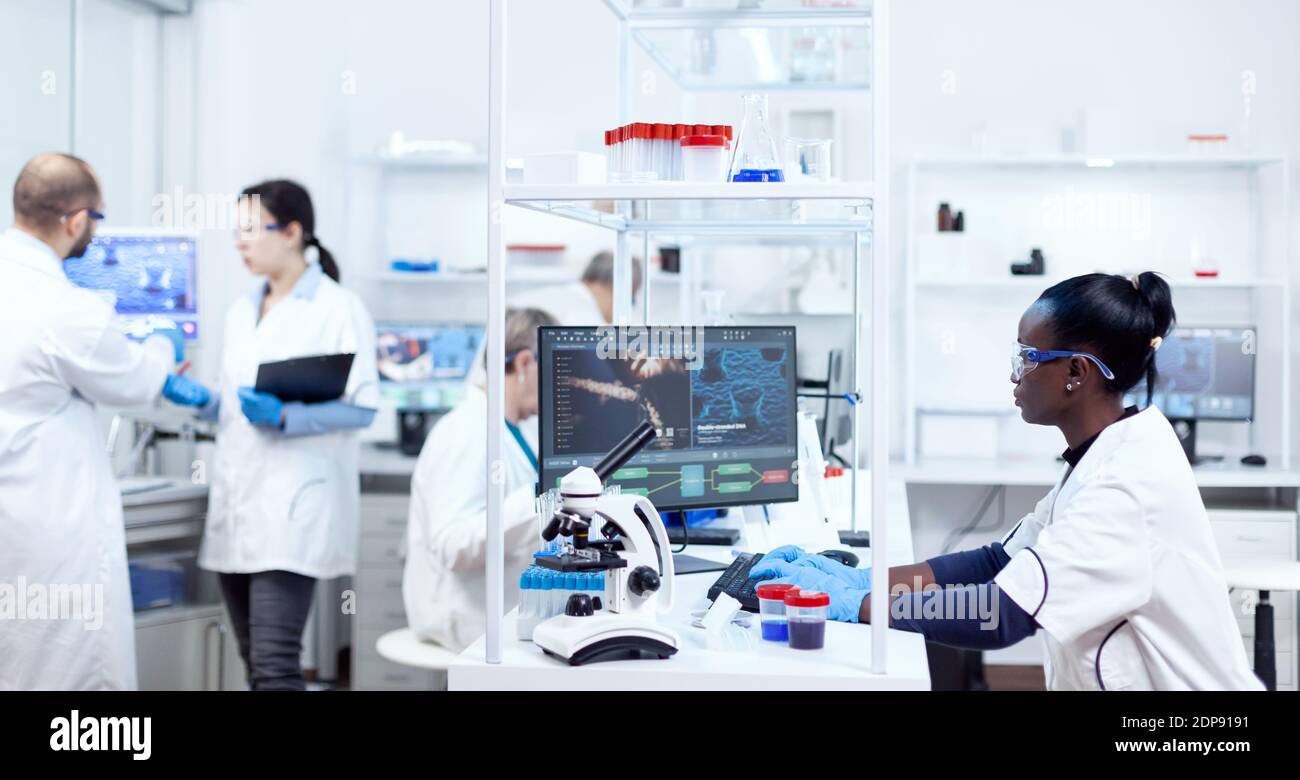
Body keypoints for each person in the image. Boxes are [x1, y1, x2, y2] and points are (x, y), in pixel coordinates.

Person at [752, 272, 1262, 691]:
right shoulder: (1104, 455)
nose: (1015, 376)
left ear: (1076, 374)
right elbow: (998, 563)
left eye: (1026, 358)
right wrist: (863, 579)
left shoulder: (1124, 487)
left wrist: (853, 605)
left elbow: (1003, 613)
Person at [0, 153, 208, 690]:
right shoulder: (65, 308)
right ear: (75, 220)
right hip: (51, 527)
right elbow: (137, 382)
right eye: (98, 217)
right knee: (68, 665)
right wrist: (163, 344)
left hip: (15, 520)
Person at [190, 179, 379, 690]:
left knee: (275, 665)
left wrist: (287, 417)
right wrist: (201, 401)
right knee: (255, 663)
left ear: (293, 231)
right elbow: (232, 407)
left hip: (293, 508)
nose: (240, 242)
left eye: (252, 230)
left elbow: (363, 408)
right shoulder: (240, 311)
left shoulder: (338, 307)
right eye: (236, 231)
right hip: (238, 506)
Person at [403, 307, 556, 652]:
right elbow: (453, 545)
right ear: (524, 364)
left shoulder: (516, 428)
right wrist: (540, 498)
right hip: (465, 617)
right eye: (554, 369)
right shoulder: (467, 431)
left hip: (504, 609)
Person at [511, 250, 642, 326]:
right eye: (631, 300)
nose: (627, 308)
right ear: (619, 289)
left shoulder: (552, 294)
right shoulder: (586, 318)